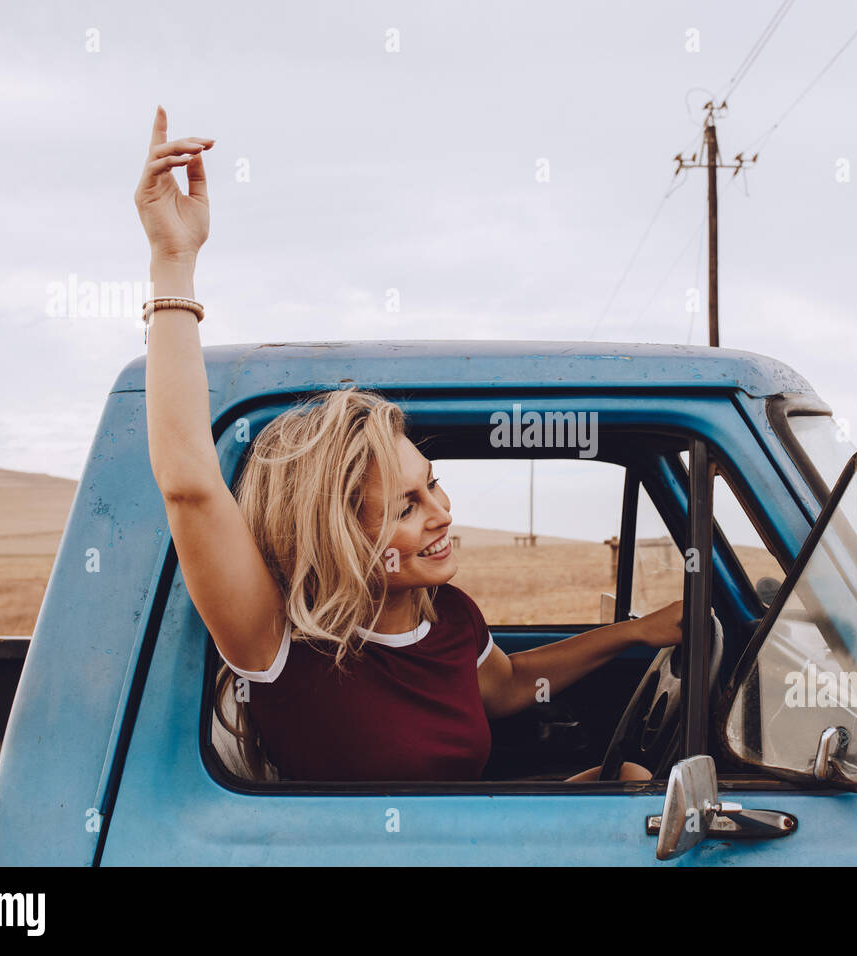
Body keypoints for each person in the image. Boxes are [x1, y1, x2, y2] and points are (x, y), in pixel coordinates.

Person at [134, 106, 683, 782]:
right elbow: (189, 486)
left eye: (433, 484)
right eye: (402, 509)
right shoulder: (280, 644)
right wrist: (173, 263)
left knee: (628, 784)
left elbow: (508, 688)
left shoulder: (447, 615)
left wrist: (636, 633)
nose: (441, 512)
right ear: (338, 535)